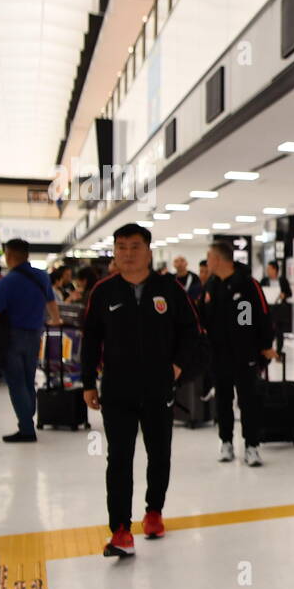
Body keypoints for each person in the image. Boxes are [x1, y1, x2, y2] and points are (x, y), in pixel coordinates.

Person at [81, 224, 207, 557]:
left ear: (149, 251)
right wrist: (86, 383)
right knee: (118, 458)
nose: (127, 253)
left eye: (135, 246)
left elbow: (191, 332)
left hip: (158, 387)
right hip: (117, 389)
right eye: (121, 247)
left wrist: (177, 367)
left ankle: (154, 512)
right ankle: (121, 529)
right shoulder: (104, 291)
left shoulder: (170, 288)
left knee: (159, 452)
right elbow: (90, 339)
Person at [201, 241, 278, 466]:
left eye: (209, 257)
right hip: (218, 355)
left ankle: (252, 446)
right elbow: (203, 317)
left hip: (246, 355)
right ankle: (226, 442)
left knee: (248, 401)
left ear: (218, 259)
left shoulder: (248, 285)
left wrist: (266, 345)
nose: (207, 262)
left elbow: (264, 316)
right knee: (223, 401)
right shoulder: (211, 286)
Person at [0, 238, 61, 442]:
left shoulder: (7, 282)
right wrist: (56, 320)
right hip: (35, 334)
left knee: (16, 382)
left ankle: (26, 428)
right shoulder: (42, 276)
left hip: (13, 336)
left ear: (9, 255)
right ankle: (29, 419)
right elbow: (52, 302)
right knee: (29, 379)